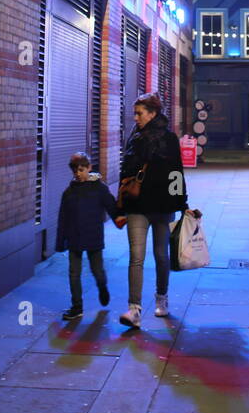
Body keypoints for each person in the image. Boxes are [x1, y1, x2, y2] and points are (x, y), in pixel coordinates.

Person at [118, 92, 188, 328]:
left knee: (161, 255)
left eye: (139, 113)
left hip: (163, 205)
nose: (135, 118)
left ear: (153, 113)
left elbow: (177, 172)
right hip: (137, 206)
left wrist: (182, 203)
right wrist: (120, 206)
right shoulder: (134, 137)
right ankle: (134, 309)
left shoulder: (169, 139)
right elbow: (125, 172)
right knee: (136, 257)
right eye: (135, 113)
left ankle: (162, 298)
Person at [56, 152, 121, 321]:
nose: (78, 174)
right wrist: (60, 241)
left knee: (97, 271)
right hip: (74, 238)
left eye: (81, 170)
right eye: (75, 171)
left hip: (93, 236)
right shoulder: (69, 192)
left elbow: (111, 206)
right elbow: (62, 218)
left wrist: (120, 219)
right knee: (73, 273)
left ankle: (102, 287)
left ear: (89, 168)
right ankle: (77, 307)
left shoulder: (100, 188)